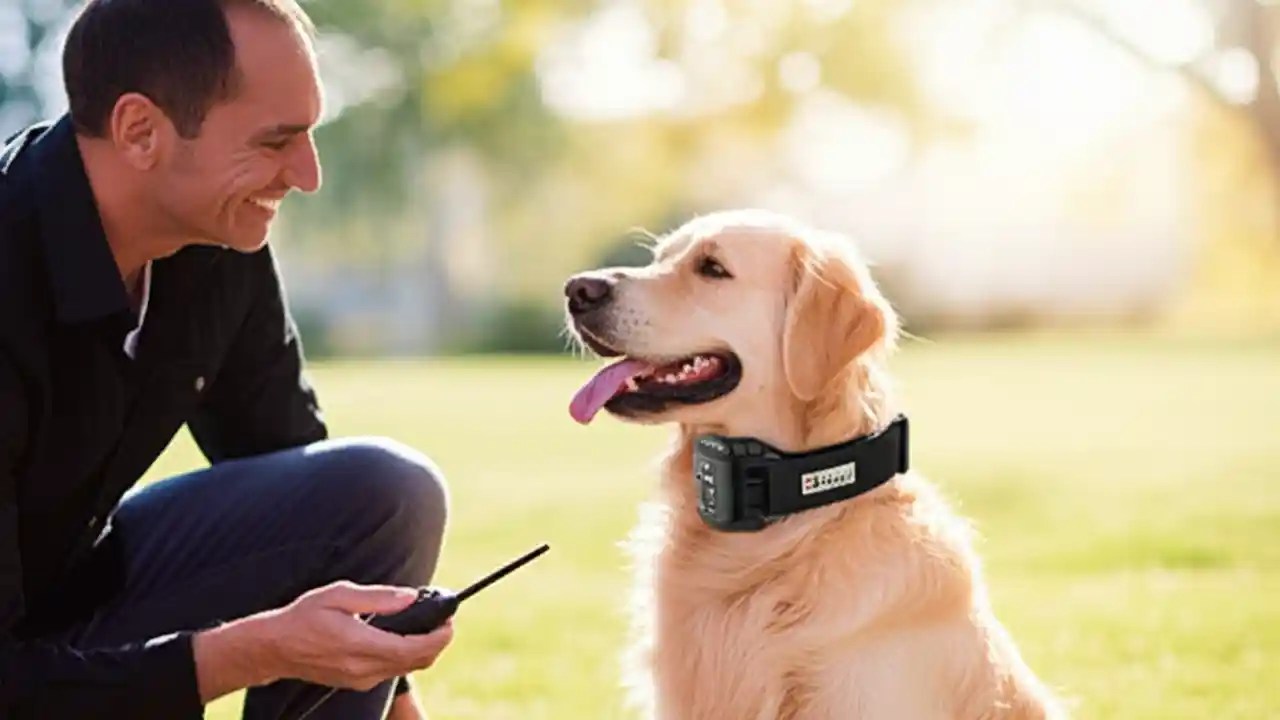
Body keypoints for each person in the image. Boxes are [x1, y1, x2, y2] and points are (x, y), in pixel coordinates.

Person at [0, 0, 455, 717]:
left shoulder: (215, 239)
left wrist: (393, 694)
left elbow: (322, 509)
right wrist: (257, 648)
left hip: (75, 606)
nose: (307, 176)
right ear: (140, 131)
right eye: (277, 142)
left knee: (381, 492)